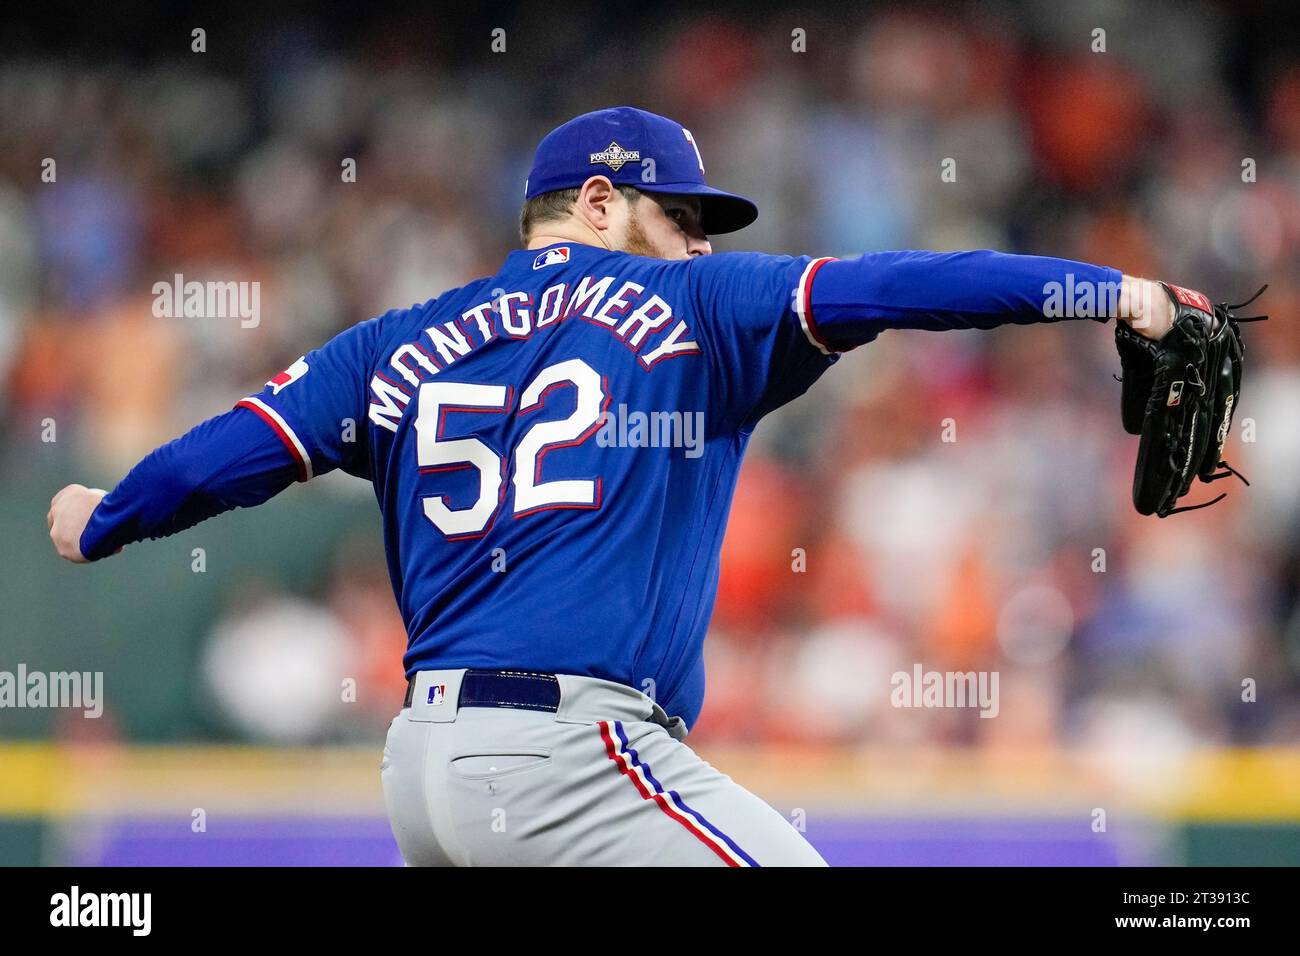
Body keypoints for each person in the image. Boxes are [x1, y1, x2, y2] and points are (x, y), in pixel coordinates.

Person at [48, 106, 1175, 866]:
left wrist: (103, 516)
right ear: (595, 203)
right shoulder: (696, 307)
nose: (694, 242)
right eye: (676, 216)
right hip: (566, 752)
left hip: (424, 769)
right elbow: (901, 282)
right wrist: (1106, 291)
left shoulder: (391, 342)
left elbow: (225, 456)